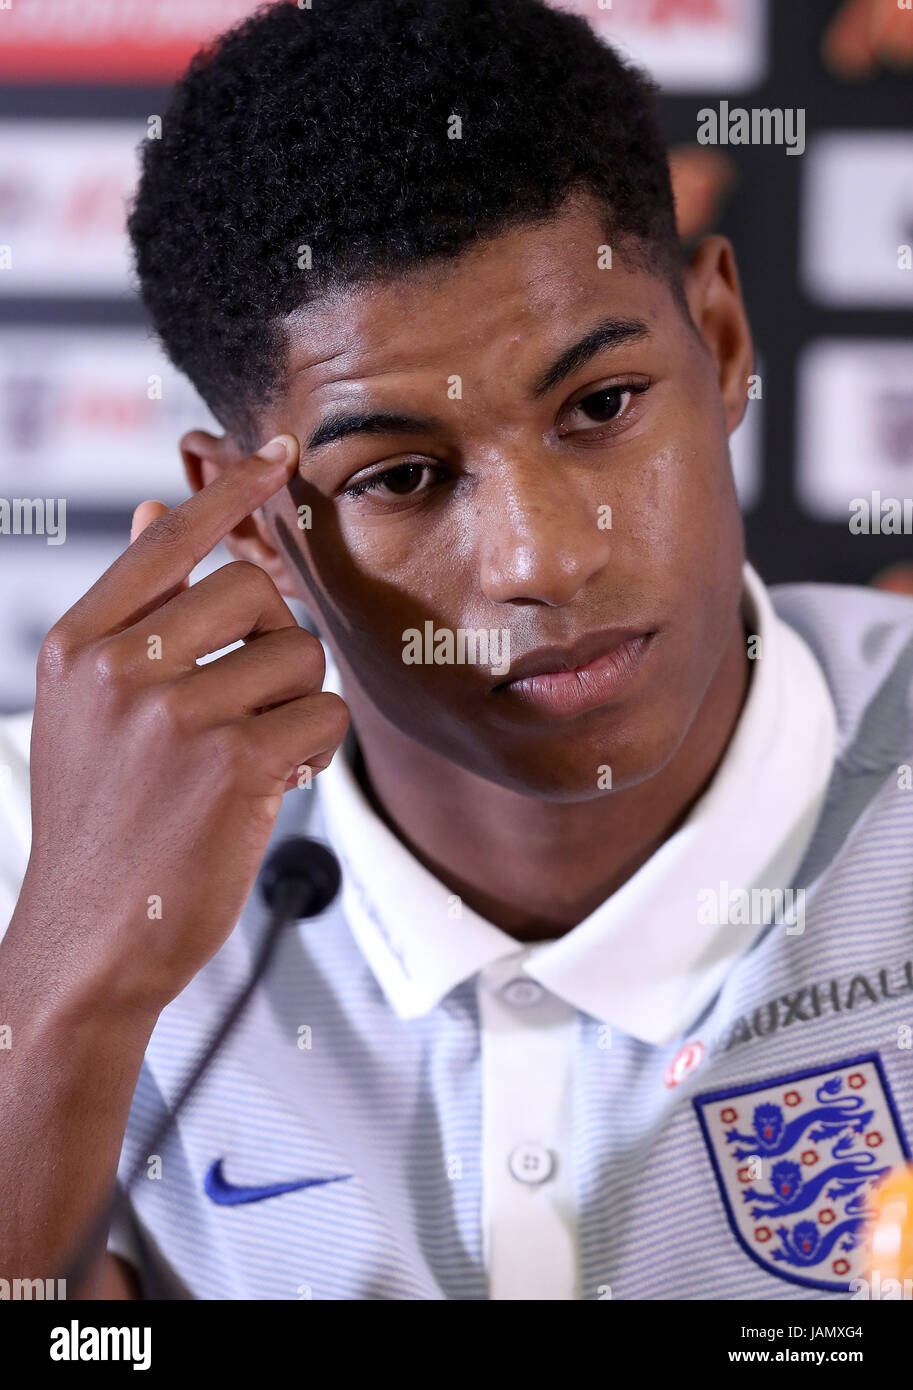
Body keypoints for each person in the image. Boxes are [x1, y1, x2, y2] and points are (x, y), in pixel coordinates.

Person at [1, 0, 912, 1302]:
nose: (540, 558)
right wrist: (61, 1003)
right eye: (404, 475)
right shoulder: (35, 851)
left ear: (717, 347)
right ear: (259, 523)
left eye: (599, 405)